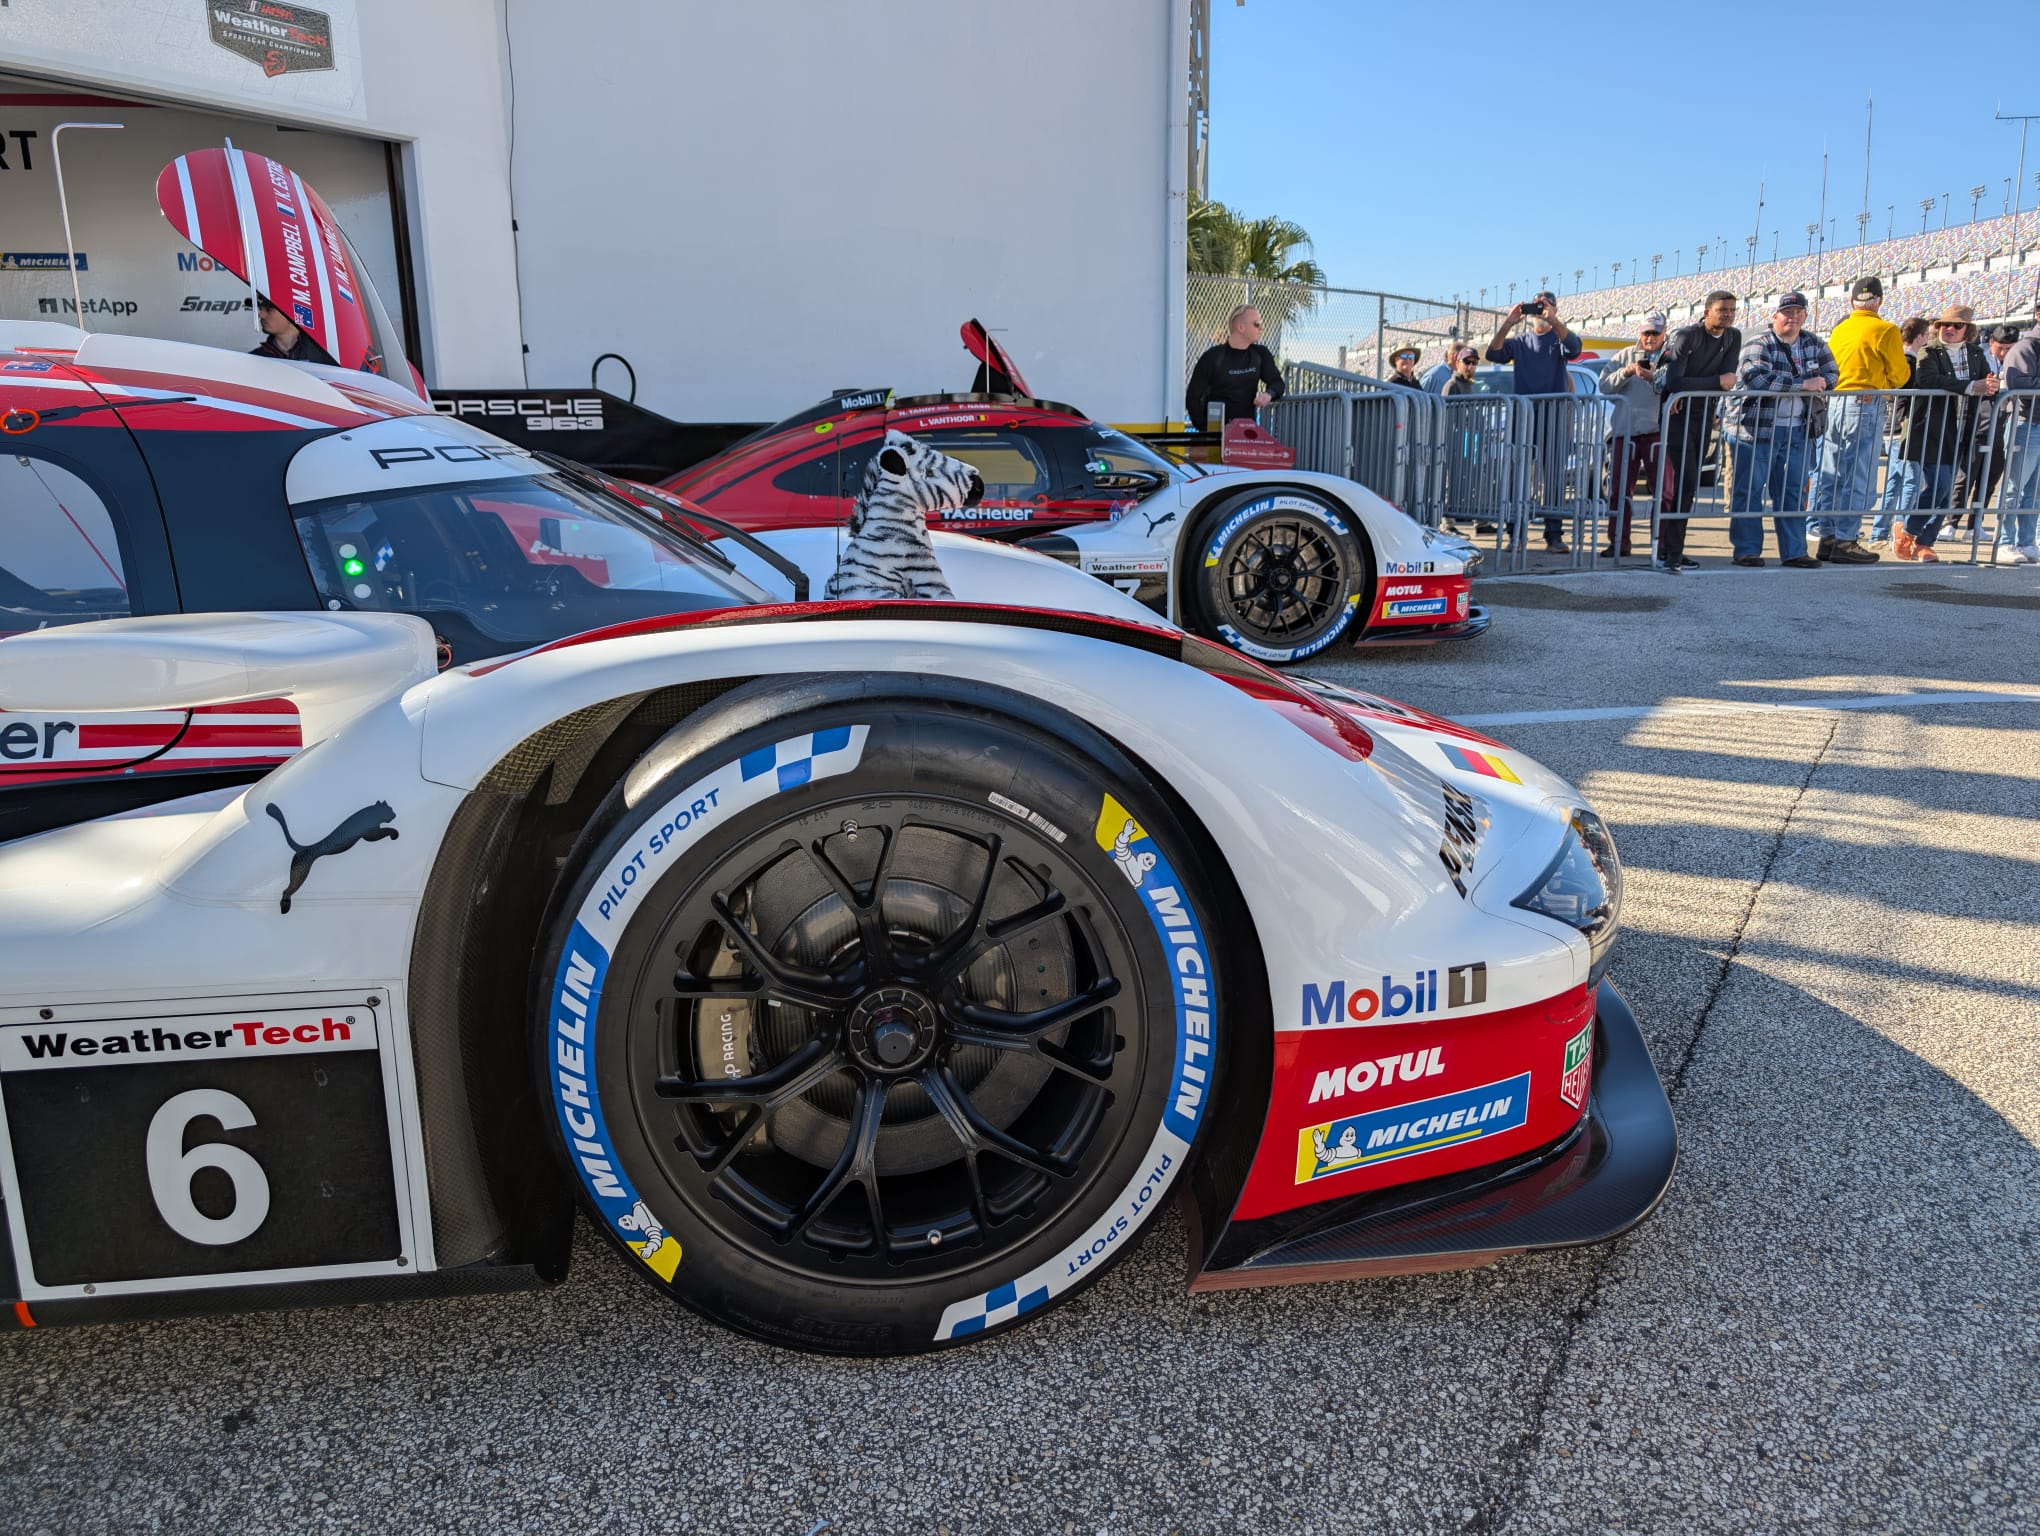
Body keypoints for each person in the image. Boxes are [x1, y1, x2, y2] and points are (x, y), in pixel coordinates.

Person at [1723, 292, 1835, 568]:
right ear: (1775, 316)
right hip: (1755, 430)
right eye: (1787, 313)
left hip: (1798, 430)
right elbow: (1757, 378)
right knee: (1749, 491)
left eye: (1799, 313)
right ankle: (1747, 550)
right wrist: (1803, 384)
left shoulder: (1814, 342)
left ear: (1805, 316)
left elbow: (1832, 373)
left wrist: (1818, 382)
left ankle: (1794, 551)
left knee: (1793, 493)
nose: (1793, 318)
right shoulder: (1758, 342)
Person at [1807, 276, 1904, 564]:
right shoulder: (1885, 330)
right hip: (1864, 403)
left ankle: (1827, 537)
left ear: (1852, 302)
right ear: (1879, 301)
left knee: (1831, 473)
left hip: (1834, 402)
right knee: (1858, 473)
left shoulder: (1840, 329)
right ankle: (1847, 539)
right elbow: (1900, 376)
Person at [1895, 305, 1999, 563]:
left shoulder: (1975, 353)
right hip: (1933, 429)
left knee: (1947, 489)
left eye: (1956, 326)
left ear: (1968, 330)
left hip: (1964, 429)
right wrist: (1969, 386)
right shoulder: (1929, 351)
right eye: (1944, 325)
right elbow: (1927, 379)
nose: (1949, 329)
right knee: (1940, 485)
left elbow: (1986, 380)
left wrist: (1991, 384)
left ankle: (1923, 542)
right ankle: (1908, 529)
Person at [1485, 289, 1583, 551]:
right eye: (1537, 306)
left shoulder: (1558, 338)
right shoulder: (1520, 341)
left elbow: (1574, 349)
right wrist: (1508, 322)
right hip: (1523, 416)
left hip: (1553, 416)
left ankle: (1553, 536)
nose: (1541, 310)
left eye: (1546, 306)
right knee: (1517, 477)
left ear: (1554, 309)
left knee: (1552, 477)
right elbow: (1493, 354)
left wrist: (1554, 321)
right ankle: (1515, 534)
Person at [1656, 290, 1742, 570]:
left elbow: (1728, 381)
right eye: (1722, 310)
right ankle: (1668, 553)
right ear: (1707, 312)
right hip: (1677, 415)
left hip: (1703, 415)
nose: (1727, 314)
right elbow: (1675, 381)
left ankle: (1674, 551)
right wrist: (1714, 381)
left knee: (1690, 487)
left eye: (1731, 309)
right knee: (1681, 483)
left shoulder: (1733, 337)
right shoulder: (1687, 336)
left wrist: (1713, 383)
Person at [1597, 314, 1669, 557]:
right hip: (1624, 432)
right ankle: (1618, 542)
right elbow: (1604, 386)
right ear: (1639, 333)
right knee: (1618, 491)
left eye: (1655, 333)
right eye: (1646, 333)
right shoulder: (1623, 356)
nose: (1650, 338)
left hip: (1657, 432)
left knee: (1663, 491)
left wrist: (1654, 376)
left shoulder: (1671, 356)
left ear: (1664, 333)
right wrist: (1626, 372)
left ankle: (1662, 544)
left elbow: (1675, 384)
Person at [1869, 317, 1930, 546]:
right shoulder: (1908, 361)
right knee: (1912, 481)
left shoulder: (1905, 359)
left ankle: (1879, 531)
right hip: (1900, 427)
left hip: (1894, 426)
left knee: (1895, 481)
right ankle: (1901, 533)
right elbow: (1903, 394)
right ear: (1920, 337)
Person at [1991, 299, 2040, 563]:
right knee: (2014, 488)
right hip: (2026, 424)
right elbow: (2020, 385)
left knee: (2034, 490)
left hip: (2035, 424)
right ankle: (2005, 541)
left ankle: (2027, 541)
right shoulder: (2026, 347)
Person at [1185, 304, 1284, 430]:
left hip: (1245, 432)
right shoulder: (1213, 357)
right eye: (1256, 324)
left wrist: (1269, 394)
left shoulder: (1260, 354)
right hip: (1214, 432)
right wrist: (1204, 429)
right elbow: (1193, 397)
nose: (1261, 328)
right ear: (1241, 327)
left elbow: (1278, 383)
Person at [249, 295, 335, 365]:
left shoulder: (323, 355)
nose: (261, 315)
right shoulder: (255, 358)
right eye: (260, 309)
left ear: (291, 312)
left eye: (269, 310)